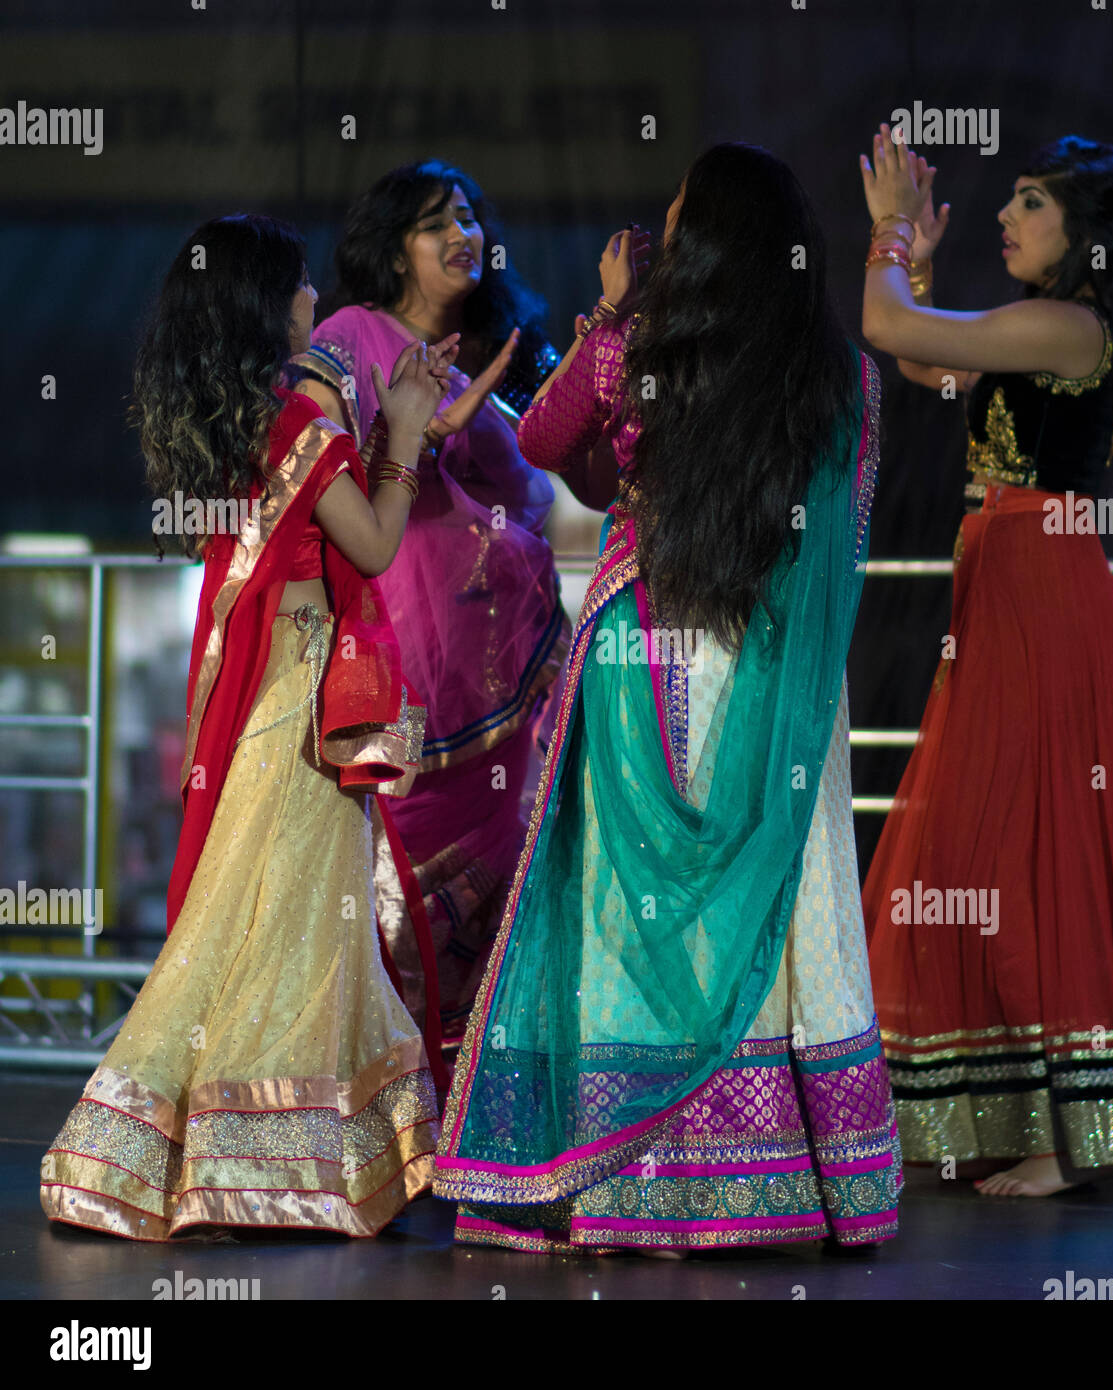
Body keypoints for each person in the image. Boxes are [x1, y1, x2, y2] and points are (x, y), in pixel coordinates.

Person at [431, 143, 903, 1253]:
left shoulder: (638, 350)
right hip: (781, 671)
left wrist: (608, 310)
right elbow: (849, 537)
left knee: (624, 908)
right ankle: (787, 1174)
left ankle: (622, 1173)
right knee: (785, 900)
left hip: (647, 646)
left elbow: (541, 443)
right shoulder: (845, 383)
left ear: (694, 251)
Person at [857, 128, 1113, 1196]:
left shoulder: (1065, 324)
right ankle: (1012, 1104)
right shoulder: (1041, 326)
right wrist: (916, 270)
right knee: (988, 842)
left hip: (1038, 588)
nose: (1006, 216)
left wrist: (889, 231)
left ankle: (1071, 1130)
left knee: (1040, 840)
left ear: (1081, 236)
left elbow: (880, 325)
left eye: (1029, 203)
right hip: (1008, 580)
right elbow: (918, 353)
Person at [39, 213, 453, 1239]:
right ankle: (248, 1159)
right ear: (269, 303)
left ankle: (196, 1151)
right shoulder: (301, 428)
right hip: (308, 708)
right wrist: (400, 437)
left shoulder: (232, 426)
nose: (314, 300)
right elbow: (374, 542)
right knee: (297, 931)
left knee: (251, 925)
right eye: (303, 284)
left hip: (263, 708)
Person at [294, 160, 582, 1055]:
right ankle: (387, 1084)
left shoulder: (515, 348)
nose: (461, 234)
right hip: (399, 664)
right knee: (388, 886)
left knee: (509, 867)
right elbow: (310, 454)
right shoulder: (352, 335)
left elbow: (550, 486)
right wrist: (420, 429)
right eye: (433, 223)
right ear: (393, 250)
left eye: (468, 217)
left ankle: (485, 1089)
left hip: (508, 662)